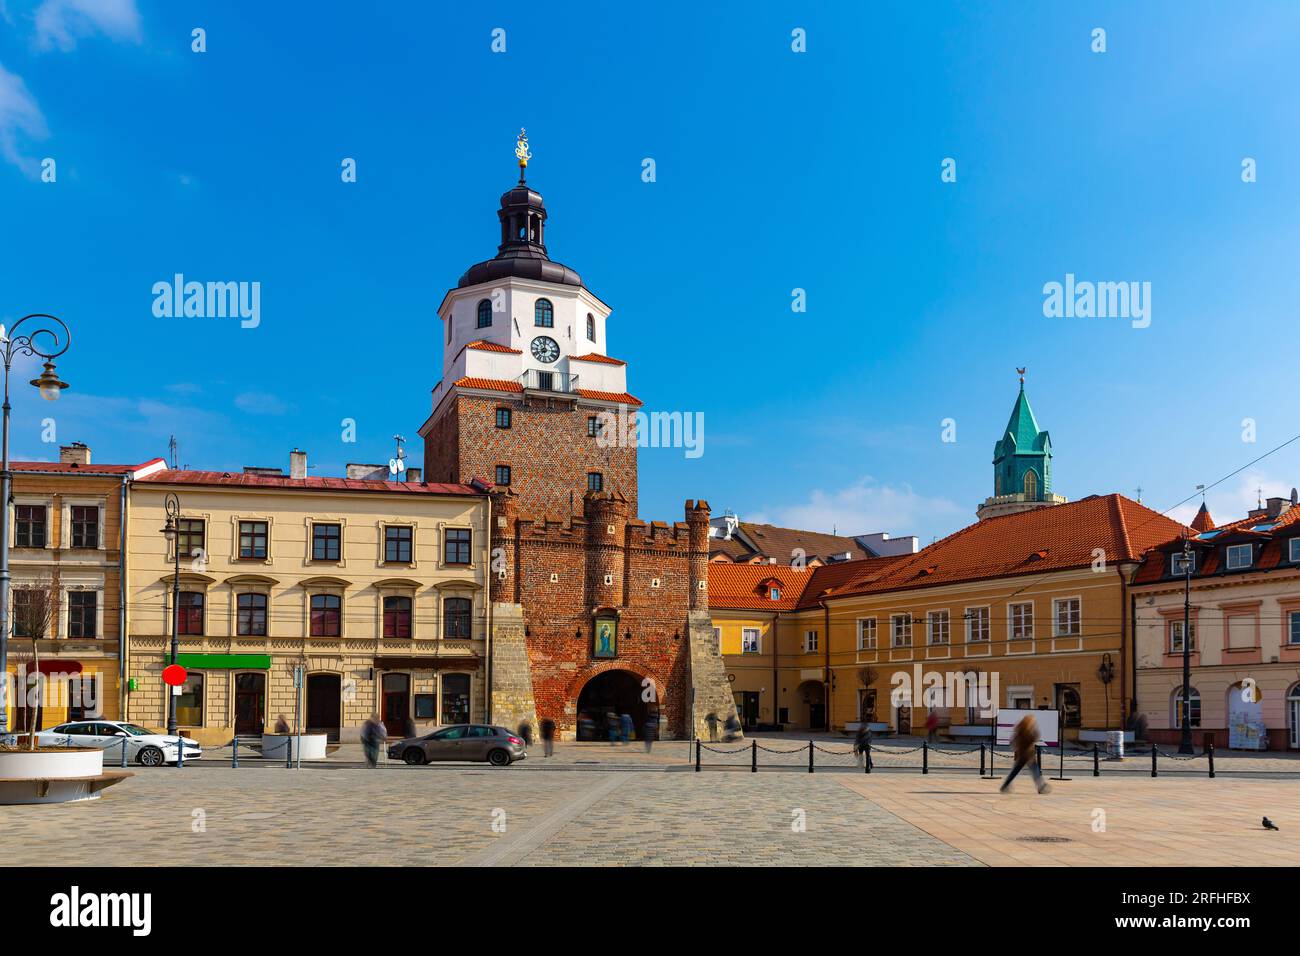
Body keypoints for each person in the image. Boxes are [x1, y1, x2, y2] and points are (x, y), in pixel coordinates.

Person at [1000, 714, 1050, 794]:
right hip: (1028, 755)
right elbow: (1035, 738)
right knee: (1034, 770)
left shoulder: (1020, 729)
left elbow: (1014, 740)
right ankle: (1041, 786)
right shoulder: (1028, 731)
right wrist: (1034, 730)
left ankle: (1005, 785)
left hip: (1022, 754)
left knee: (1018, 771)